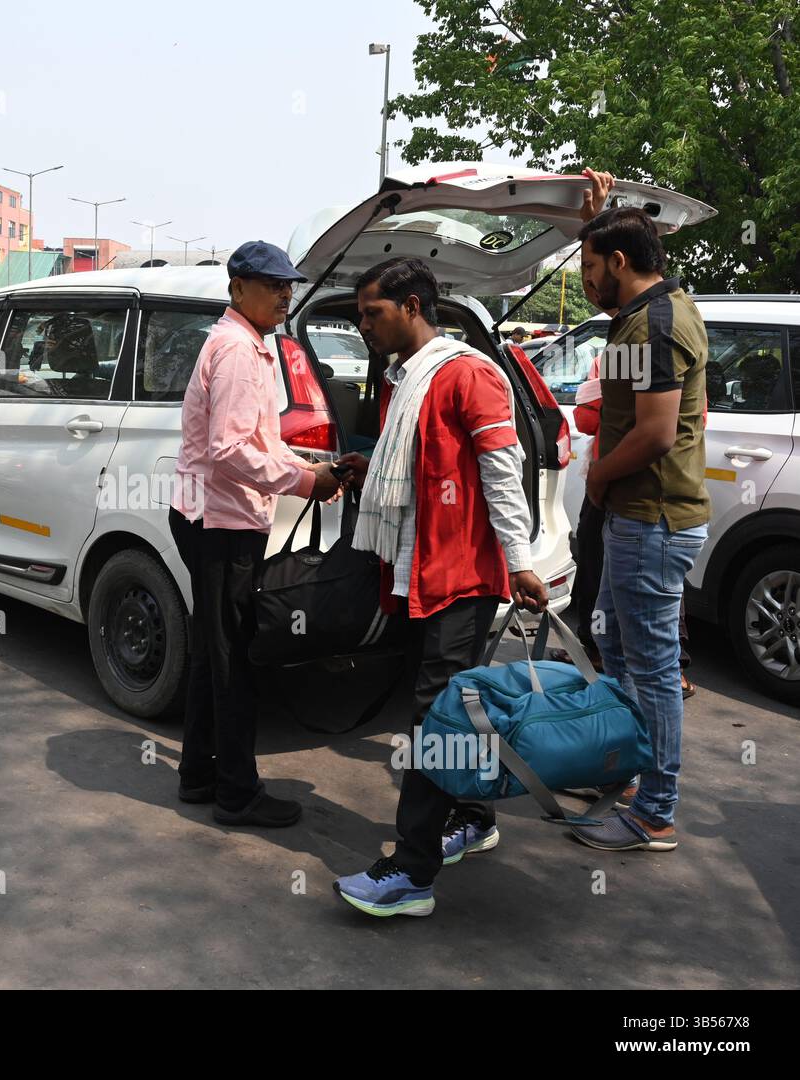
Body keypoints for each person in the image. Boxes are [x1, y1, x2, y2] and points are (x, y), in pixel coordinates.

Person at [329, 256, 548, 918]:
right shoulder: (409, 381)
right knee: (452, 706)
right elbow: (425, 465)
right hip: (419, 568)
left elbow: (501, 471)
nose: (364, 325)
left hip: (463, 576)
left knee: (435, 718)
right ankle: (473, 818)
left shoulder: (467, 373)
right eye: (361, 315)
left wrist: (521, 561)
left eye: (373, 313)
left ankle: (413, 873)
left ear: (414, 307)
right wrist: (375, 468)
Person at [169, 240, 341, 829]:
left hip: (212, 516)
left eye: (289, 285)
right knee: (232, 659)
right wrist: (304, 482)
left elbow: (255, 441)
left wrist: (309, 468)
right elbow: (231, 450)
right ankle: (236, 794)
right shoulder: (240, 350)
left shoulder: (247, 345)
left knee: (213, 651)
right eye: (273, 285)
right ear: (239, 287)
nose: (285, 295)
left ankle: (198, 774)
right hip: (219, 522)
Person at [568, 205, 710, 854]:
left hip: (650, 520)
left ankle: (655, 812)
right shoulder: (644, 317)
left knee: (651, 671)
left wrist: (598, 480)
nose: (586, 279)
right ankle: (631, 779)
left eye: (592, 267)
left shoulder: (655, 324)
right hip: (635, 519)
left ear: (620, 263)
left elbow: (655, 432)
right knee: (620, 656)